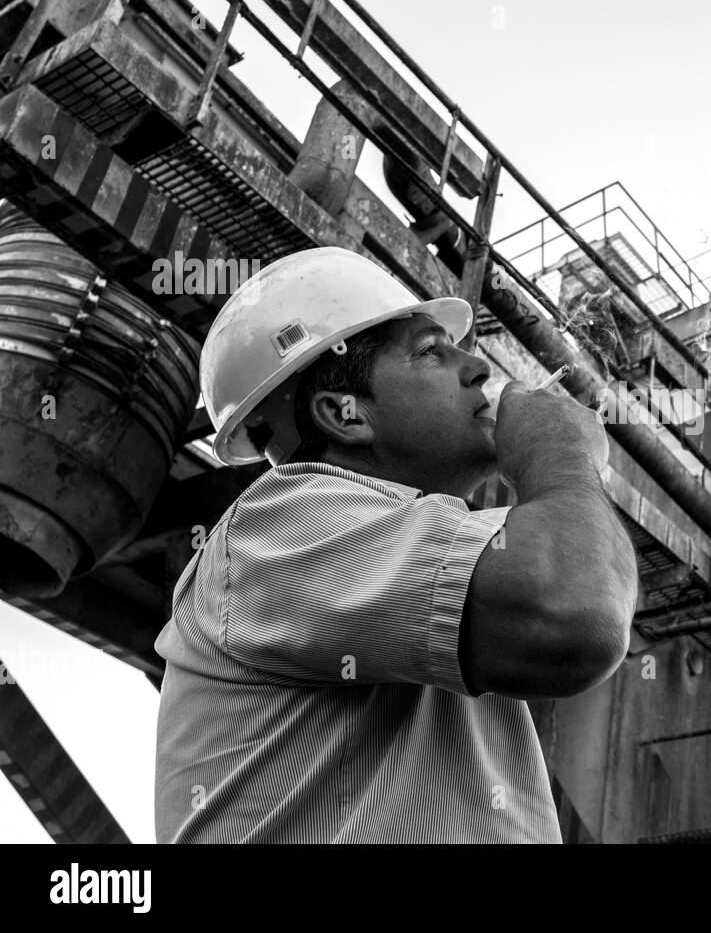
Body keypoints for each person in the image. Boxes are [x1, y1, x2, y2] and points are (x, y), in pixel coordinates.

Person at [154, 247, 638, 842]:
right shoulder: (287, 521)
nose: (479, 367)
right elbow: (577, 611)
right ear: (344, 413)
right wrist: (561, 456)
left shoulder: (417, 542)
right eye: (433, 351)